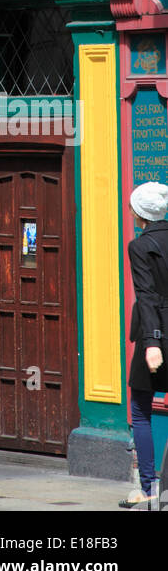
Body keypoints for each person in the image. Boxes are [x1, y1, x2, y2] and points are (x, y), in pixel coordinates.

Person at [121, 182, 168, 508]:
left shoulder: (140, 246)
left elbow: (148, 296)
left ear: (139, 213)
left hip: (157, 333)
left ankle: (151, 490)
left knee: (140, 410)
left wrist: (152, 342)